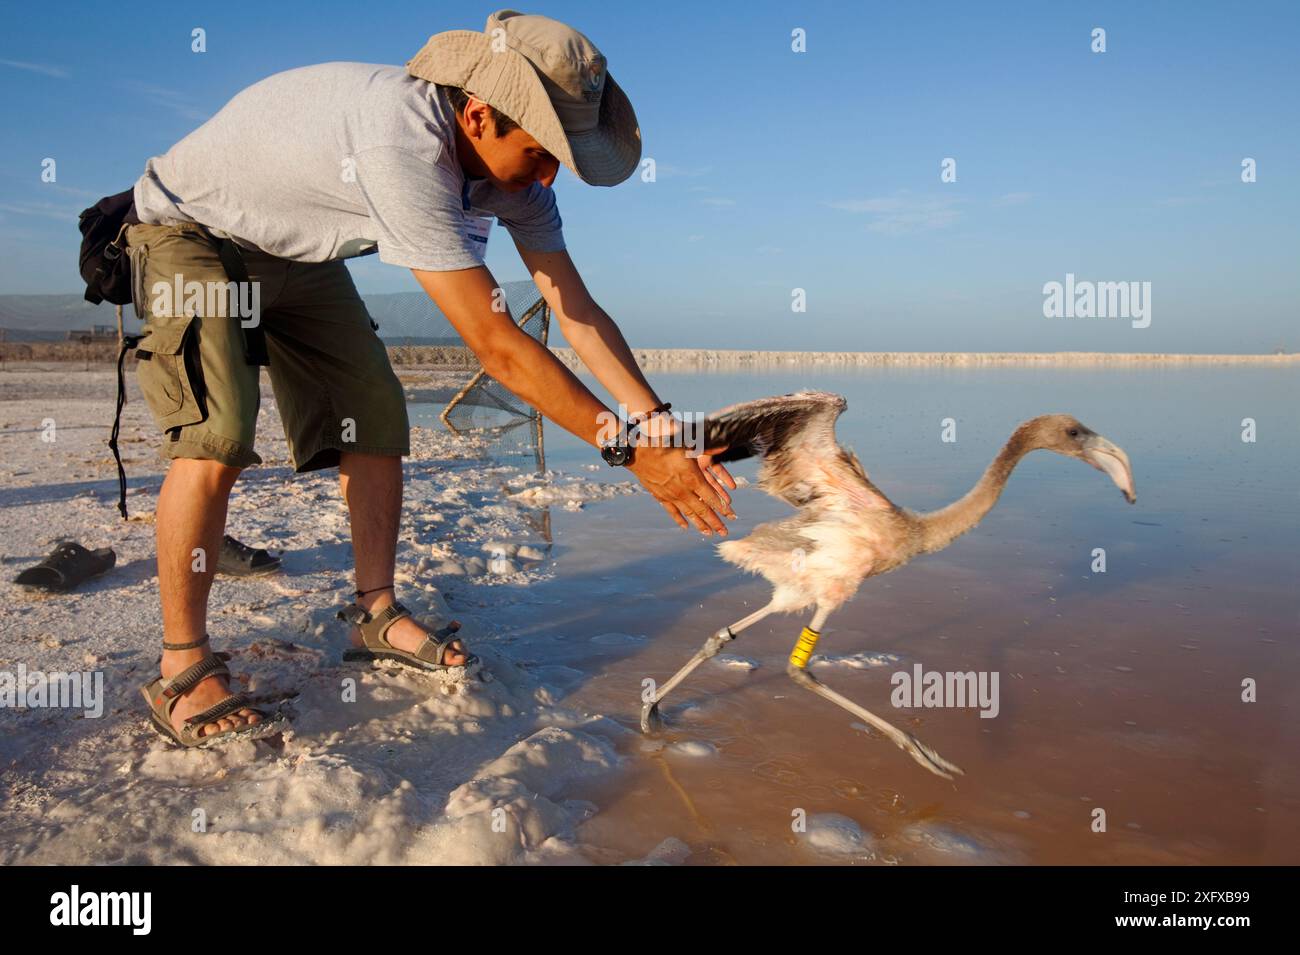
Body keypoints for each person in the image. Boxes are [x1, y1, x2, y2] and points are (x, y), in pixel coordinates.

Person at [126, 10, 736, 747]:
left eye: (562, 162)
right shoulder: (403, 144)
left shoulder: (519, 183)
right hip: (191, 230)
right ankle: (181, 668)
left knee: (376, 415)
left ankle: (375, 612)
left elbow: (573, 310)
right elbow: (496, 344)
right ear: (479, 114)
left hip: (296, 252)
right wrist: (629, 454)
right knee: (219, 433)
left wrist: (655, 419)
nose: (549, 178)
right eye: (543, 154)